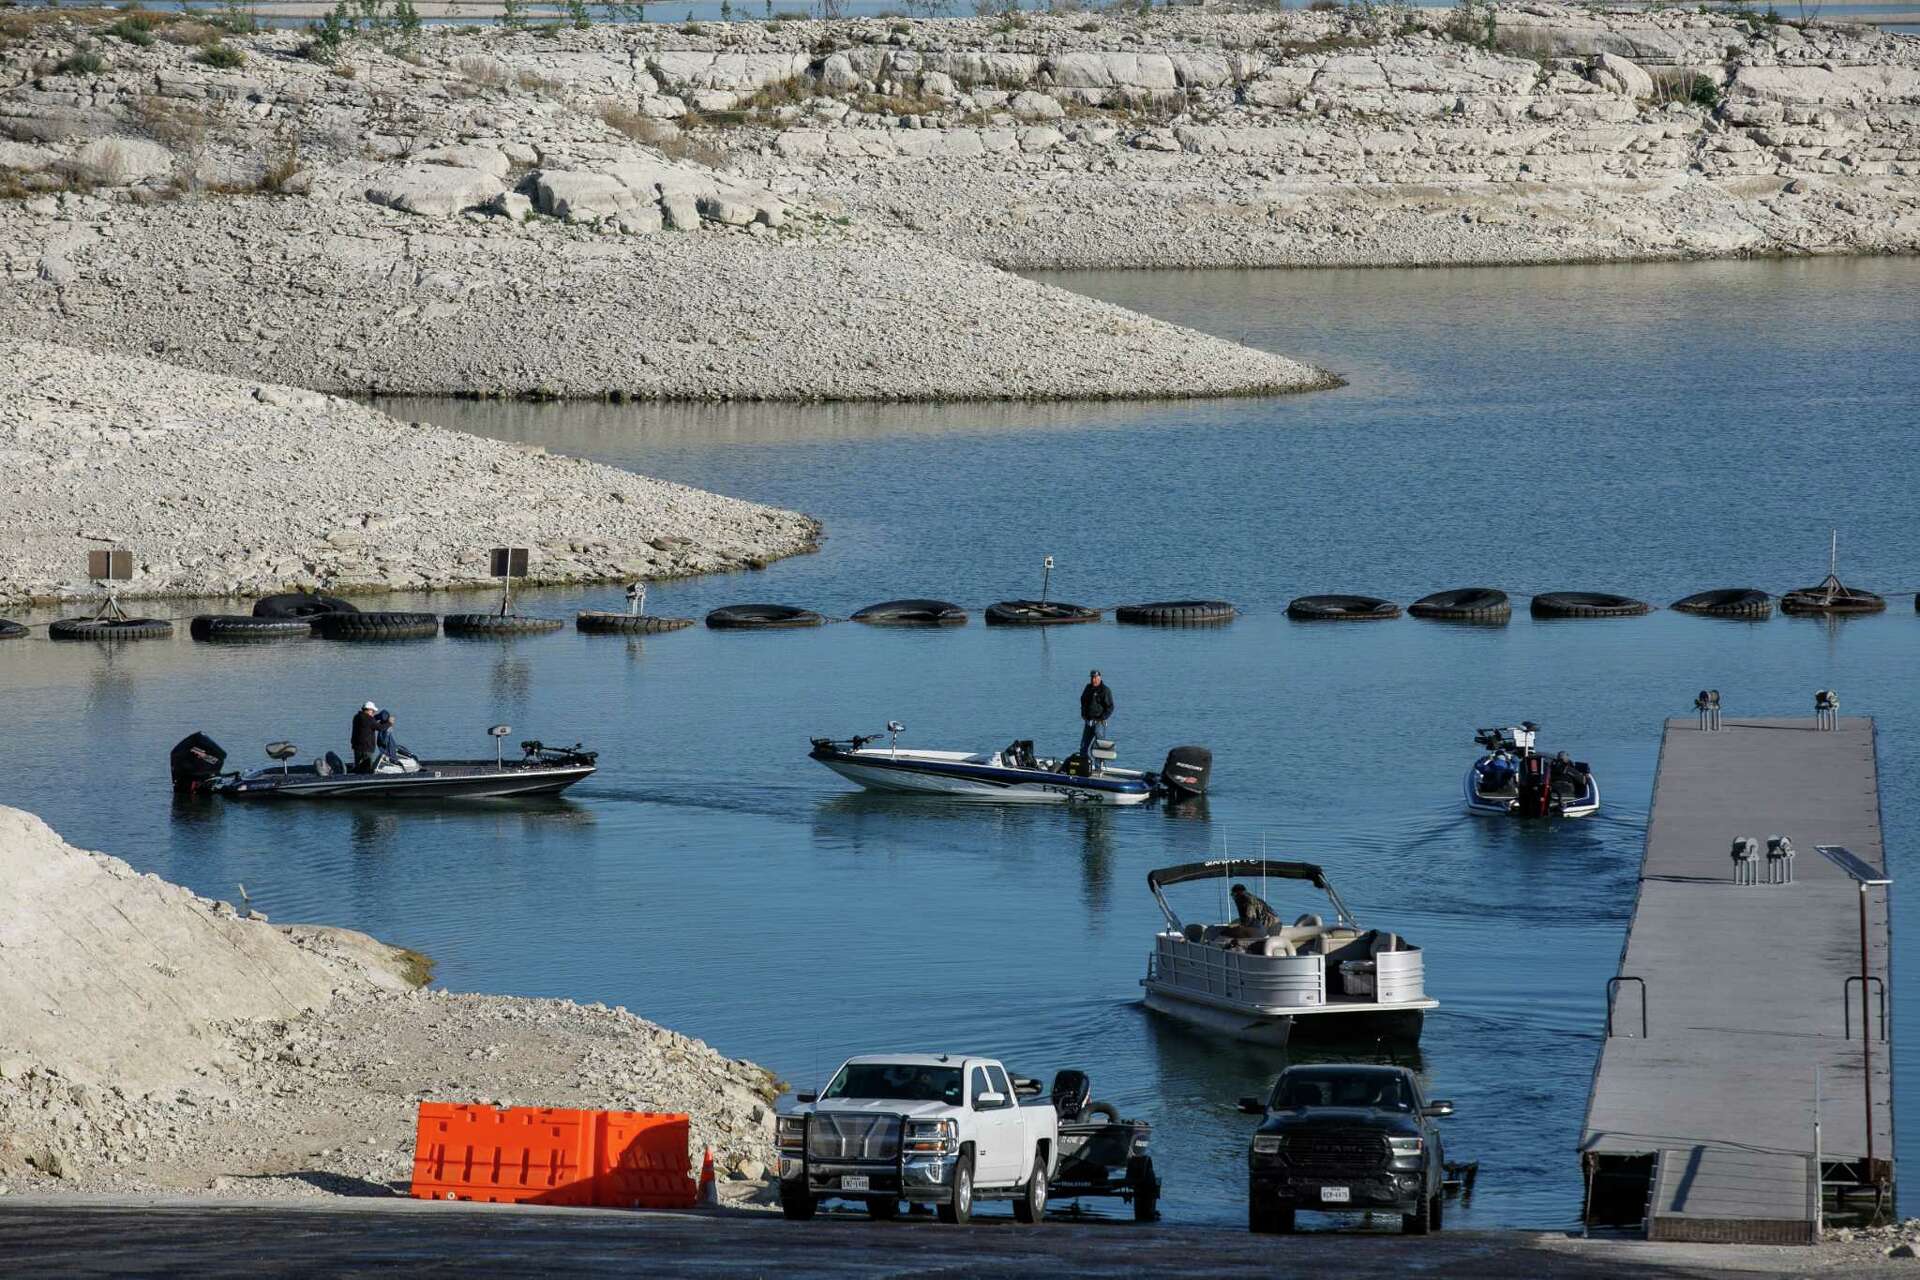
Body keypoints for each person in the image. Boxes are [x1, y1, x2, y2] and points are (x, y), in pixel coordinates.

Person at [1078, 669, 1114, 766]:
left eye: (1095, 678)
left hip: (1099, 723)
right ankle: (1084, 766)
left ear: (1099, 678)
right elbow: (1083, 701)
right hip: (1088, 722)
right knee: (1083, 746)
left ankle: (1098, 768)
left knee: (1098, 748)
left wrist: (1103, 718)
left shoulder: (1105, 690)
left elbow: (1110, 707)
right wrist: (1084, 715)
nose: (1094, 680)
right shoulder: (1088, 688)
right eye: (1092, 678)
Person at [350, 702, 379, 774]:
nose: (373, 713)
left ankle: (357, 779)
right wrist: (389, 723)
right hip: (366, 748)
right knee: (368, 768)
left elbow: (371, 722)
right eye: (373, 711)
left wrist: (376, 718)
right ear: (368, 710)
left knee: (358, 767)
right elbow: (380, 728)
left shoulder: (357, 717)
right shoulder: (368, 719)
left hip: (357, 747)